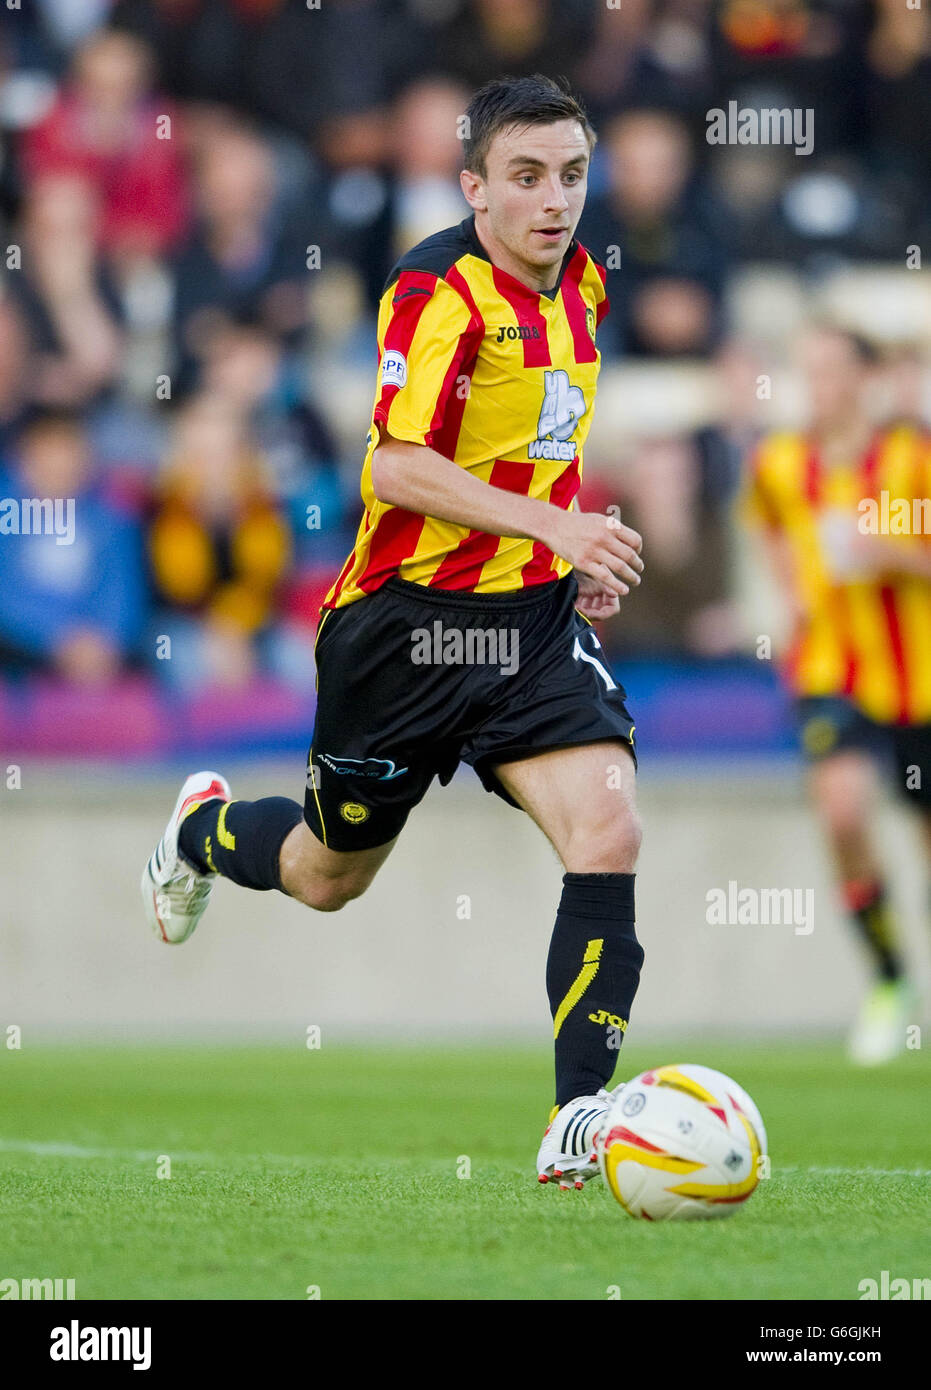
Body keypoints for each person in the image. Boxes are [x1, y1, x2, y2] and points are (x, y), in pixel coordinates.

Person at [142, 74, 646, 1189]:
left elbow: (539, 443)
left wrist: (573, 553)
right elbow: (394, 463)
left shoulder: (587, 287)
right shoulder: (435, 288)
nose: (553, 200)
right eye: (524, 178)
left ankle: (579, 1117)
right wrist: (555, 525)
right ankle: (200, 833)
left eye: (570, 174)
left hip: (526, 622)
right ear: (472, 186)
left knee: (607, 832)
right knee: (327, 877)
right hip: (403, 633)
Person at [744, 323, 931, 1064]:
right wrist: (788, 596)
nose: (817, 387)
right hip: (828, 672)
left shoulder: (910, 458)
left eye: (830, 371)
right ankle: (887, 979)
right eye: (806, 371)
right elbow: (765, 527)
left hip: (917, 676)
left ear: (864, 377)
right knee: (843, 810)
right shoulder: (780, 461)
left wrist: (895, 551)